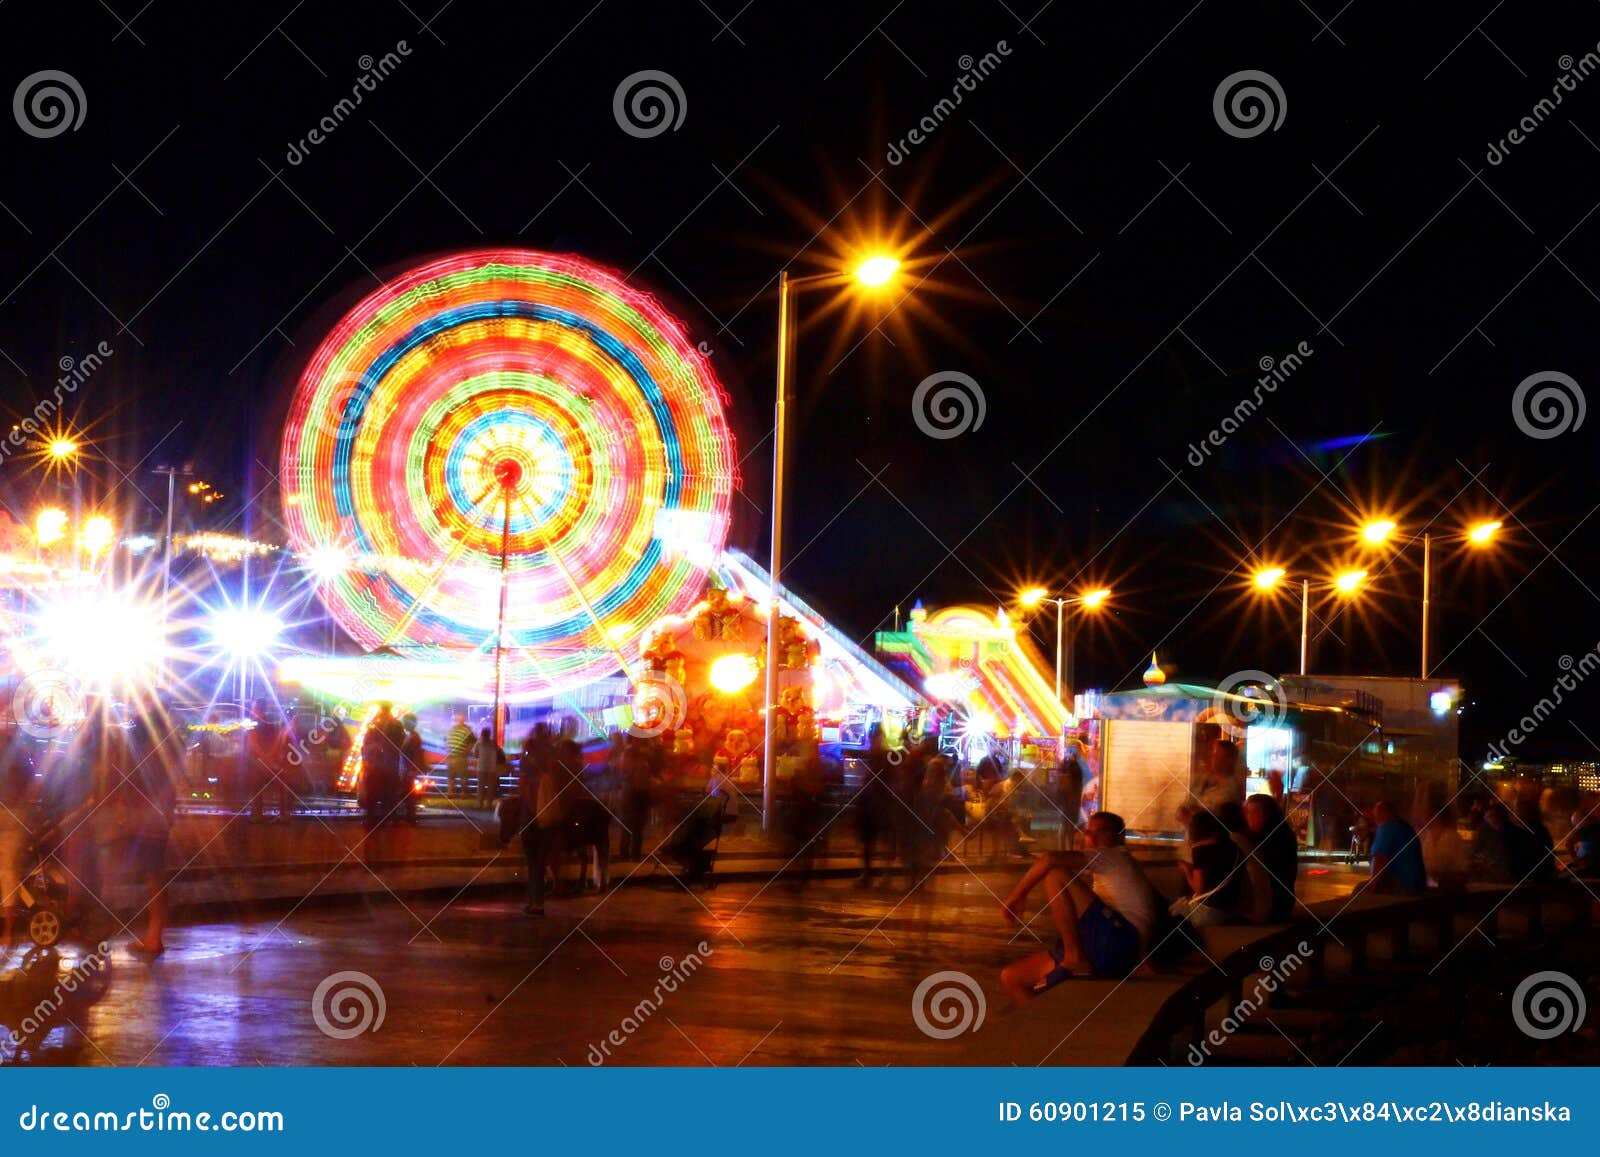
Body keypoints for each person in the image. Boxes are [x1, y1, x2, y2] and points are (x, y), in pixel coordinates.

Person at [999, 811, 1163, 1000]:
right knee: (1012, 977)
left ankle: (1073, 957)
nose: (1091, 837)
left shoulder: (1113, 857)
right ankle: (1044, 1024)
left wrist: (1017, 896)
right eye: (1088, 832)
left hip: (1118, 944)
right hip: (1106, 945)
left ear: (1119, 837)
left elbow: (1049, 859)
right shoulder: (1120, 866)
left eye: (1100, 832)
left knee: (1056, 875)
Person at [516, 731, 567, 917]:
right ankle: (536, 900)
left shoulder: (531, 783)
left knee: (533, 864)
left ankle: (535, 901)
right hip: (546, 823)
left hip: (532, 822)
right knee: (539, 862)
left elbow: (525, 799)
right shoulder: (549, 776)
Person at [1173, 809, 1244, 927]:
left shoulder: (1200, 850)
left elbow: (1199, 889)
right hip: (1229, 907)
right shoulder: (1232, 846)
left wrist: (1186, 870)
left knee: (1171, 916)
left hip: (1209, 913)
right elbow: (1216, 872)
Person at [1243, 793, 1299, 920]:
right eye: (1248, 813)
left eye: (1255, 812)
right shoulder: (1253, 836)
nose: (1250, 818)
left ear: (1268, 814)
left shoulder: (1277, 838)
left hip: (1275, 905)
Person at [855, 726, 895, 885]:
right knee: (868, 842)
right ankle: (869, 873)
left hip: (881, 804)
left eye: (875, 739)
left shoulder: (885, 757)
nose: (873, 742)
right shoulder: (876, 756)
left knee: (881, 841)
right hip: (872, 804)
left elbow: (888, 781)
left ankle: (881, 875)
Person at [359, 703, 406, 832]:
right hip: (391, 764)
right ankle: (391, 819)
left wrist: (366, 760)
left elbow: (366, 744)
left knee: (372, 794)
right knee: (390, 794)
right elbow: (401, 742)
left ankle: (371, 820)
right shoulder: (396, 725)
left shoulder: (374, 724)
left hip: (375, 765)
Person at [1368, 799, 1426, 895]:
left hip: (1402, 885)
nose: (1375, 820)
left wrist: (1372, 884)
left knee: (1359, 890)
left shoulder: (1387, 828)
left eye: (1376, 815)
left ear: (1384, 813)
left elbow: (1380, 858)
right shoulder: (1404, 827)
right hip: (1417, 886)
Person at [247, 706, 289, 822]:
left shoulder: (253, 725)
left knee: (257, 788)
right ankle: (283, 815)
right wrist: (272, 756)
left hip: (259, 762)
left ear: (258, 710)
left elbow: (254, 745)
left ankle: (257, 815)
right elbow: (279, 741)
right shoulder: (274, 724)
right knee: (281, 787)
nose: (252, 711)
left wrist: (264, 757)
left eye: (254, 708)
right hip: (274, 761)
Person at [618, 736, 654, 861]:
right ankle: (628, 853)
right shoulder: (629, 755)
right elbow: (625, 773)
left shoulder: (642, 755)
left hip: (637, 793)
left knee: (635, 826)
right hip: (632, 793)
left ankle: (632, 854)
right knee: (631, 824)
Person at [1055, 746, 1085, 850]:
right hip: (1070, 803)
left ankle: (1063, 849)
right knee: (1067, 828)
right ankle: (1067, 850)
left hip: (1067, 802)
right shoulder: (1074, 767)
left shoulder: (1065, 766)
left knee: (1065, 827)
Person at [398, 714, 425, 824]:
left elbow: (413, 754)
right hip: (407, 769)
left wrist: (411, 769)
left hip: (408, 769)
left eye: (404, 721)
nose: (403, 723)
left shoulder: (413, 737)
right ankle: (409, 816)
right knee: (408, 793)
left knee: (408, 793)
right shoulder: (411, 736)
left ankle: (410, 817)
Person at [444, 713, 474, 797]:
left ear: (463, 720)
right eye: (456, 719)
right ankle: (450, 793)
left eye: (460, 719)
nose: (458, 721)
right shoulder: (452, 729)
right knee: (451, 777)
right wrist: (447, 749)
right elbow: (446, 740)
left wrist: (466, 752)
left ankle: (463, 793)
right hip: (451, 757)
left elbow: (472, 742)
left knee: (463, 777)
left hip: (460, 757)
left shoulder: (467, 729)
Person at [474, 726, 501, 808]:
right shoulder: (494, 744)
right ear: (489, 735)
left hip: (481, 767)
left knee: (480, 787)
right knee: (490, 787)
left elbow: (476, 755)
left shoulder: (478, 744)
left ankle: (479, 803)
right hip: (491, 768)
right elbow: (499, 753)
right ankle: (489, 803)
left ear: (482, 734)